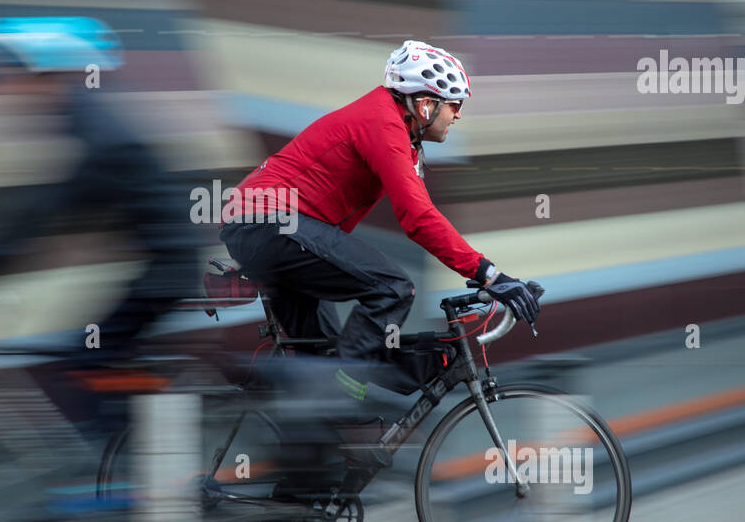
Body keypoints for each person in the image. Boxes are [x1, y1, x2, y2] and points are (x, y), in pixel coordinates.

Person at [0, 16, 203, 522]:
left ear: (41, 73)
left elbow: (48, 206)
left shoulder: (95, 128)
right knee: (98, 353)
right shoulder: (83, 116)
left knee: (88, 354)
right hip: (161, 261)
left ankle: (122, 484)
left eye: (4, 75)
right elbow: (52, 207)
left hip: (168, 267)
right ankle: (135, 450)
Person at [220, 39, 541, 403]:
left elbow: (422, 212)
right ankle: (341, 393)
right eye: (454, 105)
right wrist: (490, 275)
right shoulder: (383, 124)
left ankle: (315, 432)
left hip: (268, 227)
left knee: (321, 353)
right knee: (393, 289)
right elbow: (417, 219)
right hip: (268, 222)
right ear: (425, 105)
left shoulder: (399, 134)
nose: (459, 115)